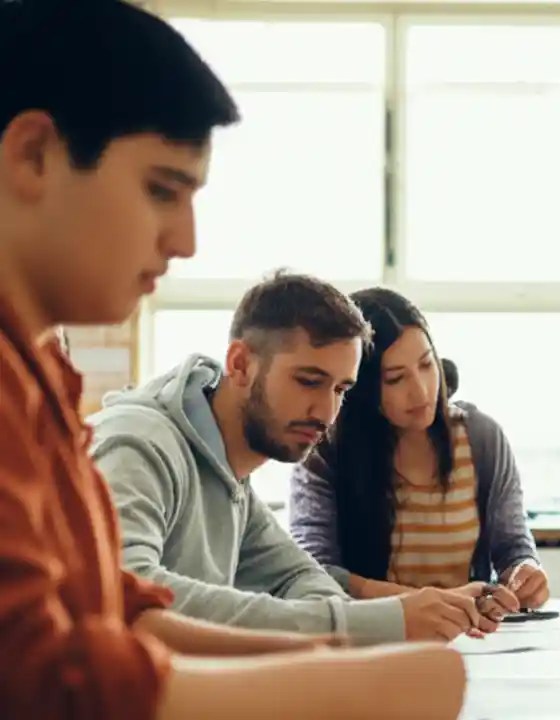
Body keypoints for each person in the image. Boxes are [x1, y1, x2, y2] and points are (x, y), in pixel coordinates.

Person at [0, 2, 464, 718]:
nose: (185, 240)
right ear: (33, 156)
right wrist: (338, 683)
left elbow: (119, 609)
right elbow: (35, 674)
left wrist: (315, 654)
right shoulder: (125, 431)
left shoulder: (41, 380)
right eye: (161, 190)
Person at [90, 271, 495, 644]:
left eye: (340, 390)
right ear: (240, 364)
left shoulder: (230, 476)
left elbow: (295, 577)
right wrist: (385, 621)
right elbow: (125, 590)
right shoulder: (139, 443)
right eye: (308, 381)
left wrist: (355, 631)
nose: (325, 413)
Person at [291, 287, 549, 613]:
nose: (421, 391)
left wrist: (524, 570)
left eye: (427, 365)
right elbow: (312, 570)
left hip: (471, 638)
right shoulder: (325, 454)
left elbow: (512, 546)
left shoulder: (480, 438)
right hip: (371, 638)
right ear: (363, 388)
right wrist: (420, 602)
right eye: (396, 379)